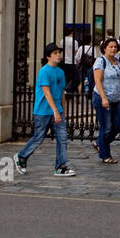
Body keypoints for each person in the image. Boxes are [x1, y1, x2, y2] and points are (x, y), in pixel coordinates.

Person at [16, 42, 75, 177]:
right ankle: (21, 157)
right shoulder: (44, 71)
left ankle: (60, 166)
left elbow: (61, 93)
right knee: (39, 137)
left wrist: (62, 110)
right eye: (55, 53)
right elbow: (47, 93)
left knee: (62, 137)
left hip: (56, 111)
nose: (58, 55)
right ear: (48, 56)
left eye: (59, 53)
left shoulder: (60, 72)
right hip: (43, 111)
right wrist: (55, 111)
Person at [91, 37, 120, 164]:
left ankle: (99, 143)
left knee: (119, 124)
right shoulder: (100, 61)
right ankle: (105, 155)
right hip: (102, 98)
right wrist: (104, 98)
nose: (113, 49)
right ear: (104, 48)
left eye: (115, 46)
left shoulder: (117, 61)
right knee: (106, 127)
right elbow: (98, 80)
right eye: (110, 46)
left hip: (116, 99)